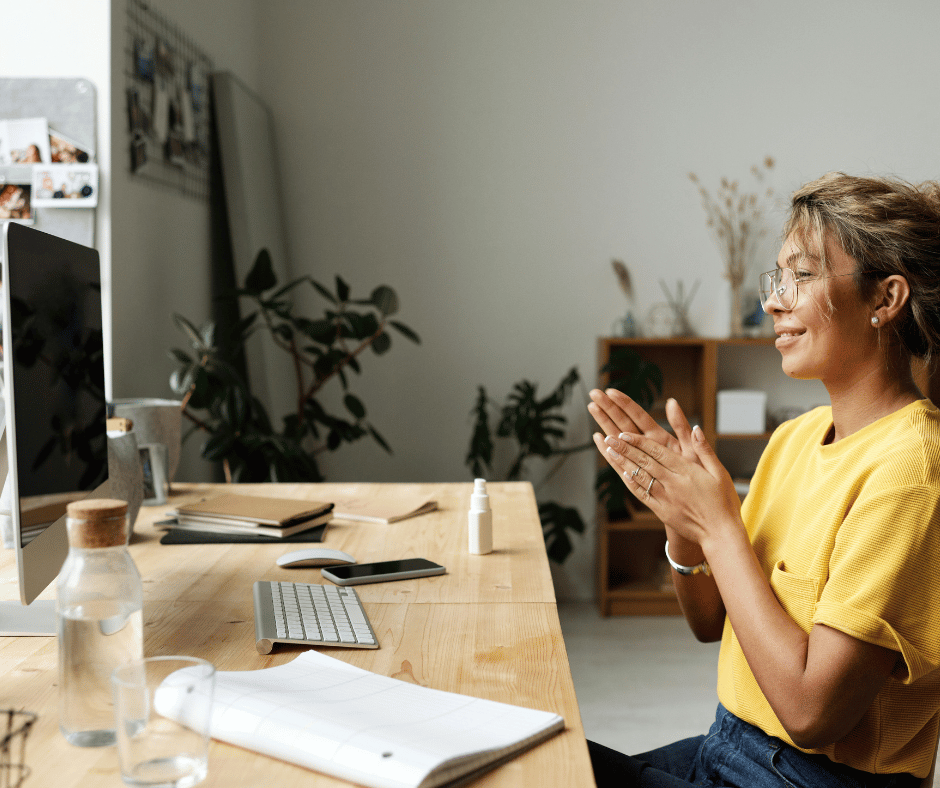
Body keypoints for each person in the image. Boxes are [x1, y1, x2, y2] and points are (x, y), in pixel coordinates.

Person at [587, 172, 940, 788]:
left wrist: (720, 525)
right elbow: (712, 623)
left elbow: (810, 713)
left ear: (885, 300)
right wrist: (686, 528)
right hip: (730, 743)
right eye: (776, 279)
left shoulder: (912, 473)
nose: (774, 301)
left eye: (801, 276)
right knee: (533, 756)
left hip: (808, 778)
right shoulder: (794, 438)